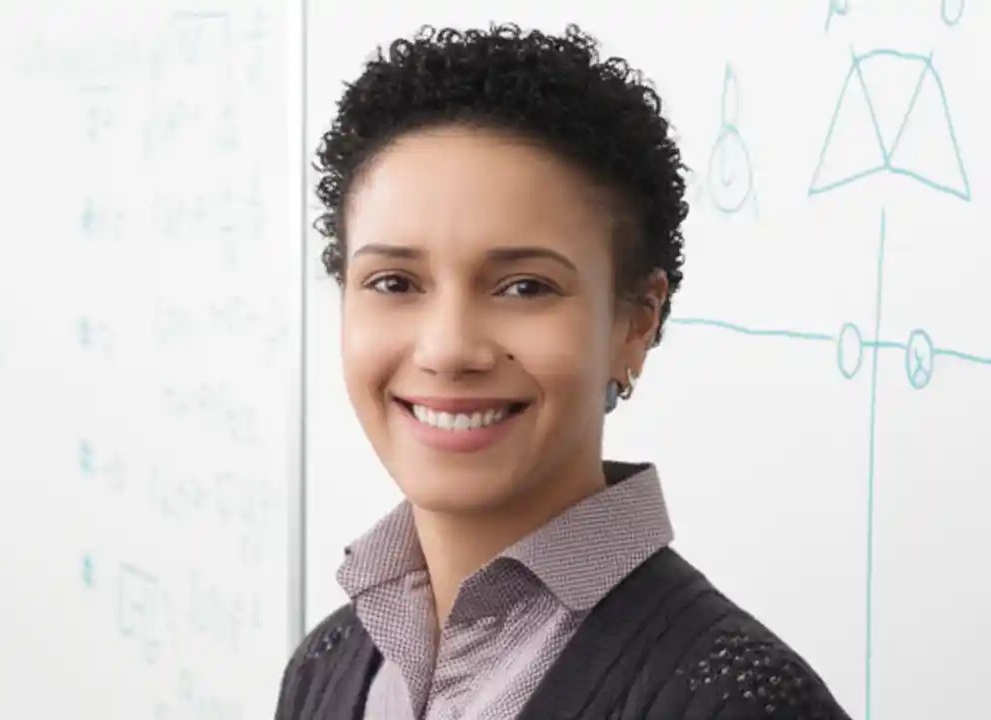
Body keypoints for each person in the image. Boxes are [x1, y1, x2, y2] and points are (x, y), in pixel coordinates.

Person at [274, 23, 851, 720]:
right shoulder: (327, 664)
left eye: (525, 287)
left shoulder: (736, 702)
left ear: (635, 322)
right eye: (394, 282)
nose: (449, 348)